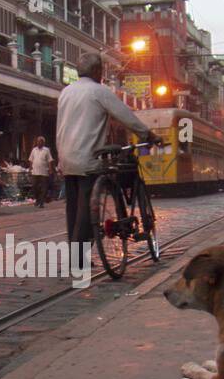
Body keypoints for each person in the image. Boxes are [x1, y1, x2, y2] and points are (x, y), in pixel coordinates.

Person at [56, 52, 156, 267]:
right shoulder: (99, 91)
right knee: (84, 209)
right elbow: (125, 115)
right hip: (88, 157)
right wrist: (147, 134)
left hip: (66, 156)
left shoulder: (66, 92)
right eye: (101, 70)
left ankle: (77, 254)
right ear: (96, 71)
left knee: (72, 208)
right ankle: (77, 258)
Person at [28, 136, 54, 208]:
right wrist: (30, 169)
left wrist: (50, 169)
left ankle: (41, 202)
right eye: (38, 141)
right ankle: (37, 199)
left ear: (43, 142)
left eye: (40, 141)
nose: (39, 142)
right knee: (34, 186)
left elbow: (50, 160)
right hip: (35, 172)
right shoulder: (34, 150)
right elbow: (31, 160)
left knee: (44, 188)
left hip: (44, 172)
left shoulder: (46, 150)